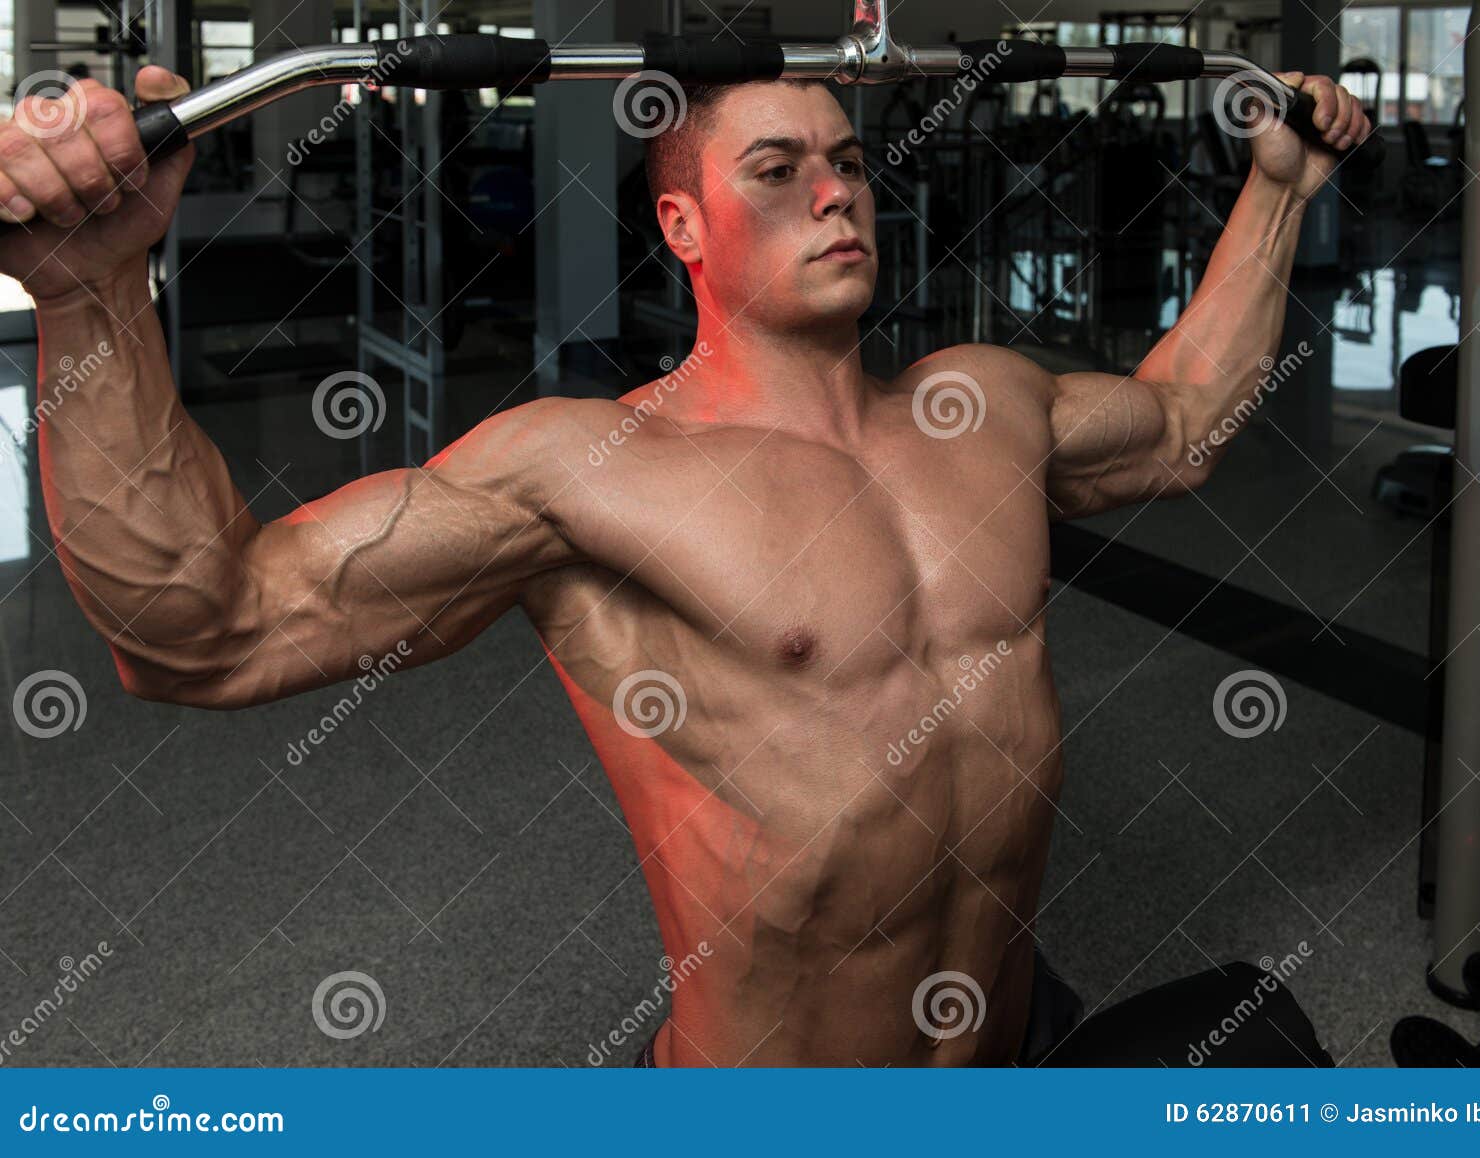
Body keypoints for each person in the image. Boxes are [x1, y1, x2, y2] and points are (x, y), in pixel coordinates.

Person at [0, 64, 1370, 1066]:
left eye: (844, 162)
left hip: (1014, 1044)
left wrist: (1277, 190)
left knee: (1266, 1049)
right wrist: (87, 289)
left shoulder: (985, 403)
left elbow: (1186, 418)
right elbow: (205, 627)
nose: (834, 189)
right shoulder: (586, 470)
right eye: (776, 171)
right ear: (685, 231)